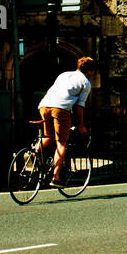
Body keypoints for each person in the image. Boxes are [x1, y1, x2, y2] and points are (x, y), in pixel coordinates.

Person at [36, 56, 95, 187]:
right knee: (61, 143)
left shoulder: (64, 74)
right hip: (61, 109)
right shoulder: (85, 83)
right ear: (89, 71)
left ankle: (33, 152)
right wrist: (80, 126)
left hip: (44, 105)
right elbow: (79, 107)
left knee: (49, 136)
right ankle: (56, 178)